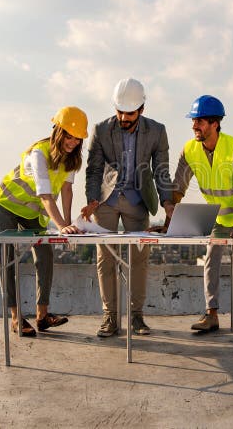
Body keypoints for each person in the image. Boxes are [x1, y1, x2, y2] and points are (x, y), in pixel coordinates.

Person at [81, 78, 175, 337]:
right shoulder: (101, 130)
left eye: (130, 113)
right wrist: (91, 199)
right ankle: (110, 317)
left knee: (139, 259)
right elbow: (94, 169)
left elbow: (162, 170)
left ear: (142, 109)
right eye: (119, 111)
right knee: (106, 259)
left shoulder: (157, 131)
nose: (123, 117)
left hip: (137, 200)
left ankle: (136, 317)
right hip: (106, 200)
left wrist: (168, 203)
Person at [171, 95, 233, 333]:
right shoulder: (190, 150)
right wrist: (169, 221)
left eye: (200, 121)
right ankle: (211, 314)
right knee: (211, 257)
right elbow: (177, 189)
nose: (194, 126)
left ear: (215, 123)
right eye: (193, 121)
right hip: (221, 215)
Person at [0, 106, 88, 337]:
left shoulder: (72, 158)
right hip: (7, 204)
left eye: (77, 139)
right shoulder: (39, 154)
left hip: (34, 213)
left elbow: (66, 190)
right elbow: (45, 196)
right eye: (69, 136)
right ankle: (16, 318)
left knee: (44, 256)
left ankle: (43, 316)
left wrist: (67, 224)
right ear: (58, 131)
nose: (73, 142)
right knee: (8, 261)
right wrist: (60, 226)